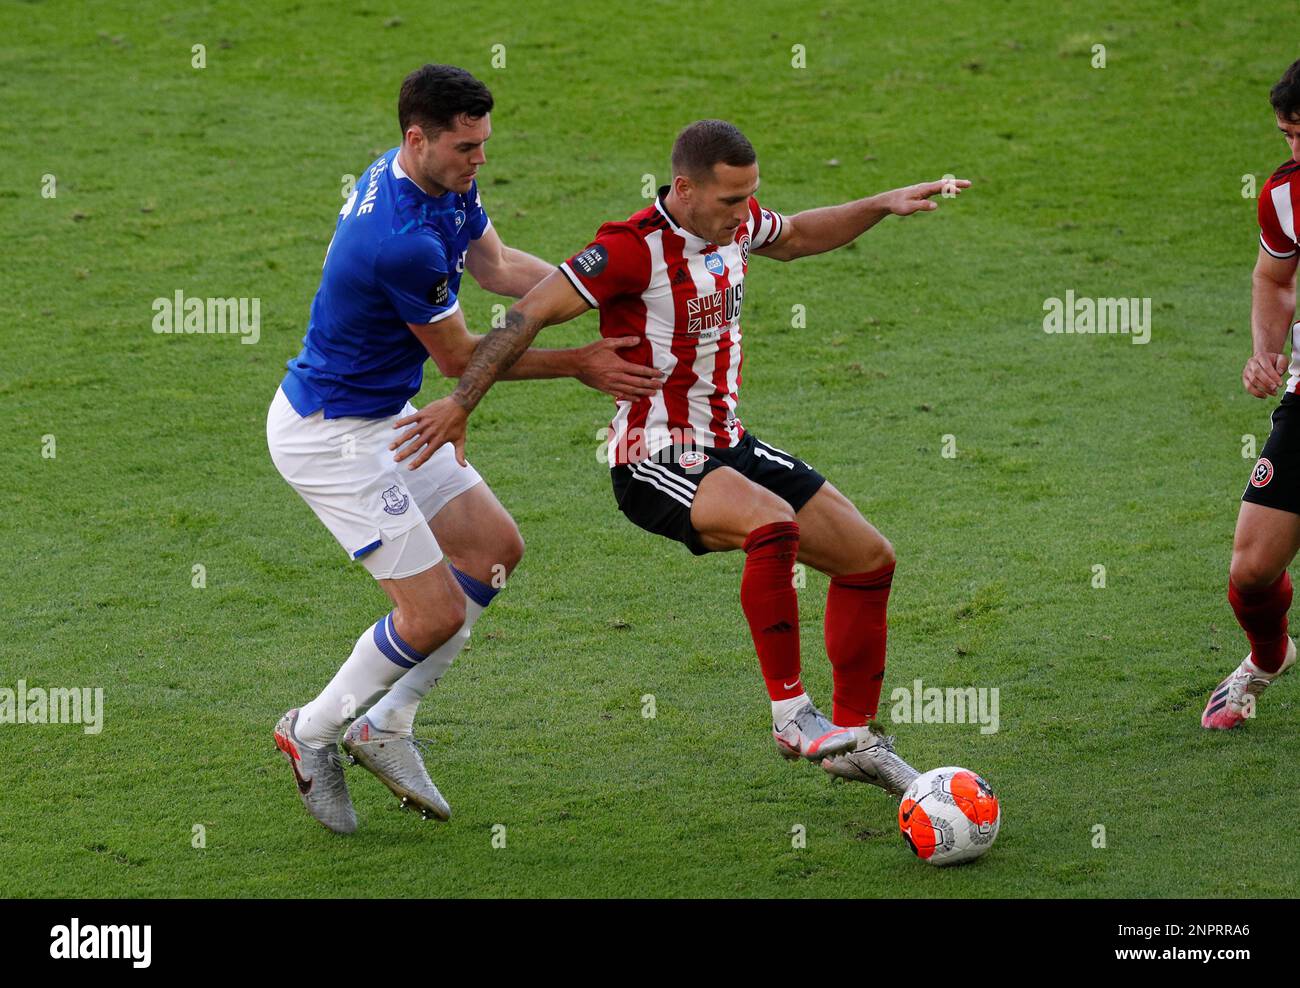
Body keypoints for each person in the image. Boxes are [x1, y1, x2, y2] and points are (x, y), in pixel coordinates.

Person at [389, 119, 969, 796]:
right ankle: (791, 717)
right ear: (685, 189)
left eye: (750, 197)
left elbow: (802, 235)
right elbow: (526, 315)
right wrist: (462, 401)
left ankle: (854, 740)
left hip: (729, 443)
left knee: (869, 560)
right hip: (652, 457)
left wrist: (879, 204)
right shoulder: (630, 250)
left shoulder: (736, 224)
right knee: (772, 525)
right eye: (729, 201)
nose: (743, 213)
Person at [268, 64, 661, 833]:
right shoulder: (401, 242)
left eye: (483, 145)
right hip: (332, 438)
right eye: (466, 148)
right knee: (433, 613)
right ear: (418, 139)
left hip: (387, 415)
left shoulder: (439, 184)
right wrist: (581, 361)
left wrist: (601, 296)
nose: (480, 160)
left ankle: (387, 725)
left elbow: (499, 267)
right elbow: (462, 361)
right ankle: (310, 732)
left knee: (492, 550)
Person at [1204, 58, 1300, 729]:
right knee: (1251, 569)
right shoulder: (1287, 194)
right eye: (1287, 135)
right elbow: (1274, 280)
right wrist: (1267, 354)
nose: (1294, 151)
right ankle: (1268, 657)